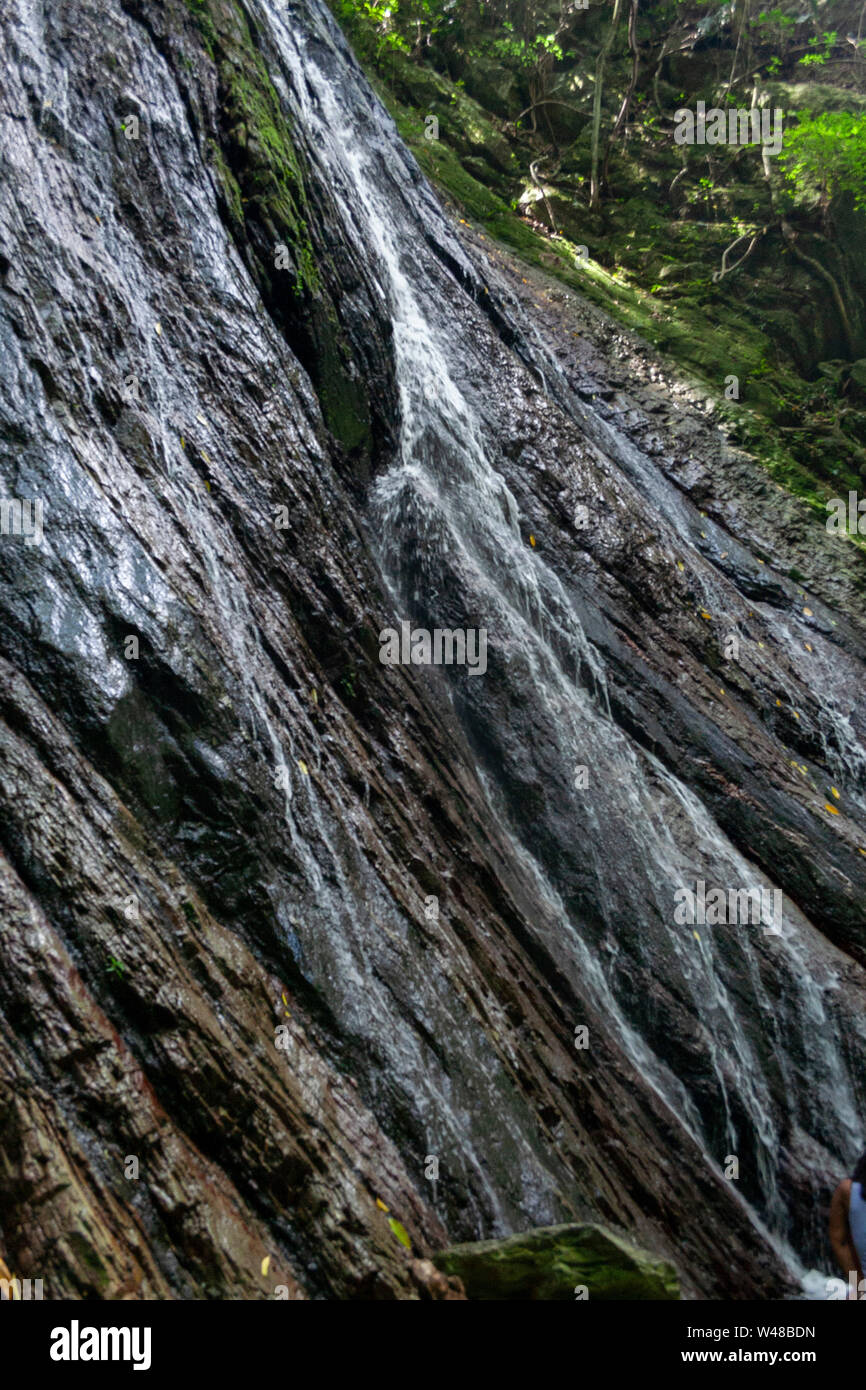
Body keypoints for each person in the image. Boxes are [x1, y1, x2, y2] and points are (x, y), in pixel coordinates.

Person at [830, 1150, 866, 1299]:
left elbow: (840, 1241)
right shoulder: (847, 1191)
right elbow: (840, 1241)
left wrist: (857, 1285)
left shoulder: (847, 1190)